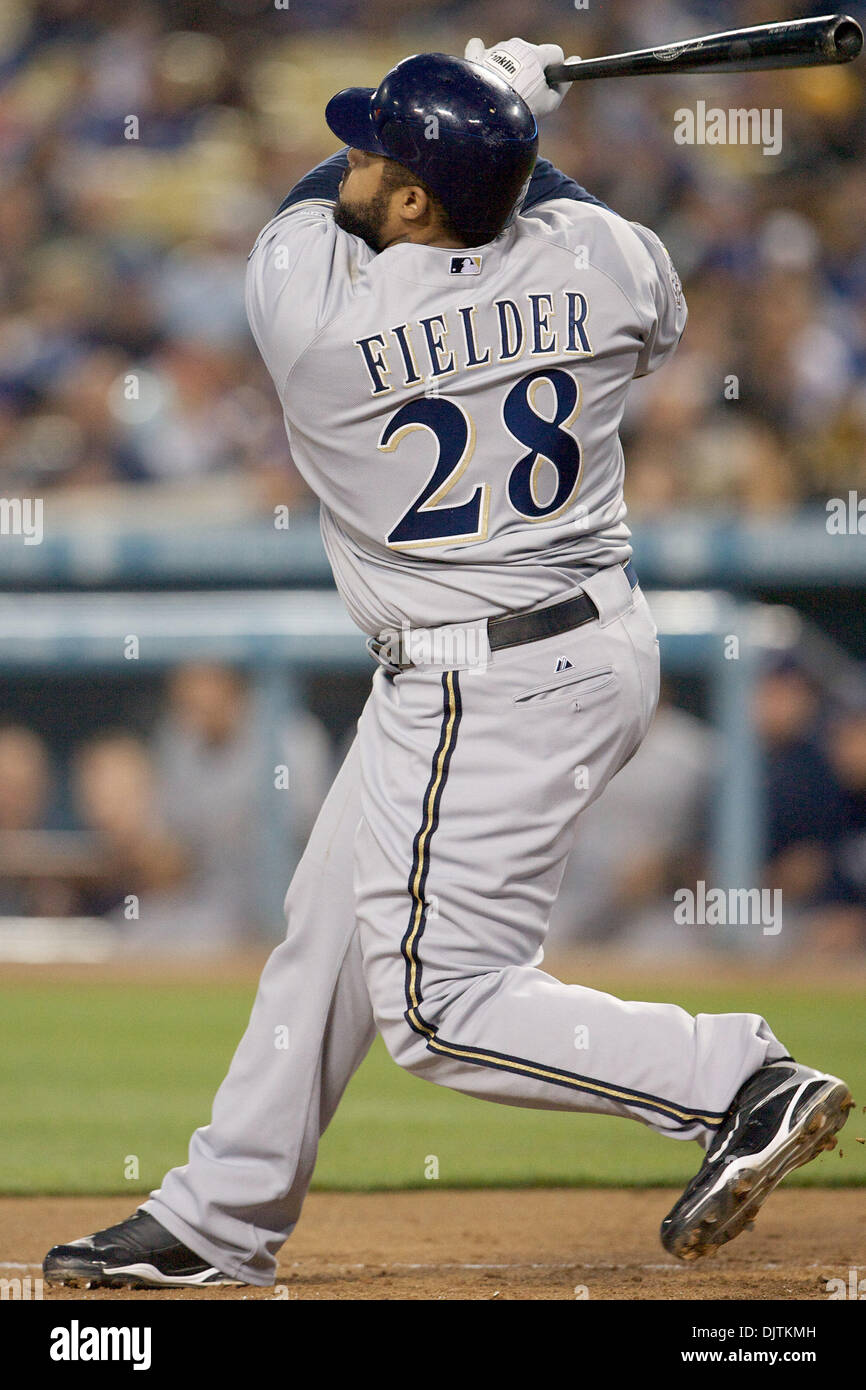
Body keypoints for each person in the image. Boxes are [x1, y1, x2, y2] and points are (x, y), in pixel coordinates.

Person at [43, 38, 851, 1289]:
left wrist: (483, 121)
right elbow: (600, 260)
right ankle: (221, 1219)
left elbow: (319, 202)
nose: (356, 159)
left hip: (483, 679)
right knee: (327, 932)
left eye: (382, 152)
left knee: (435, 1007)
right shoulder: (608, 264)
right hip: (591, 642)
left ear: (417, 199)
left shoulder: (315, 324)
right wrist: (511, 134)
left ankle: (736, 1080)